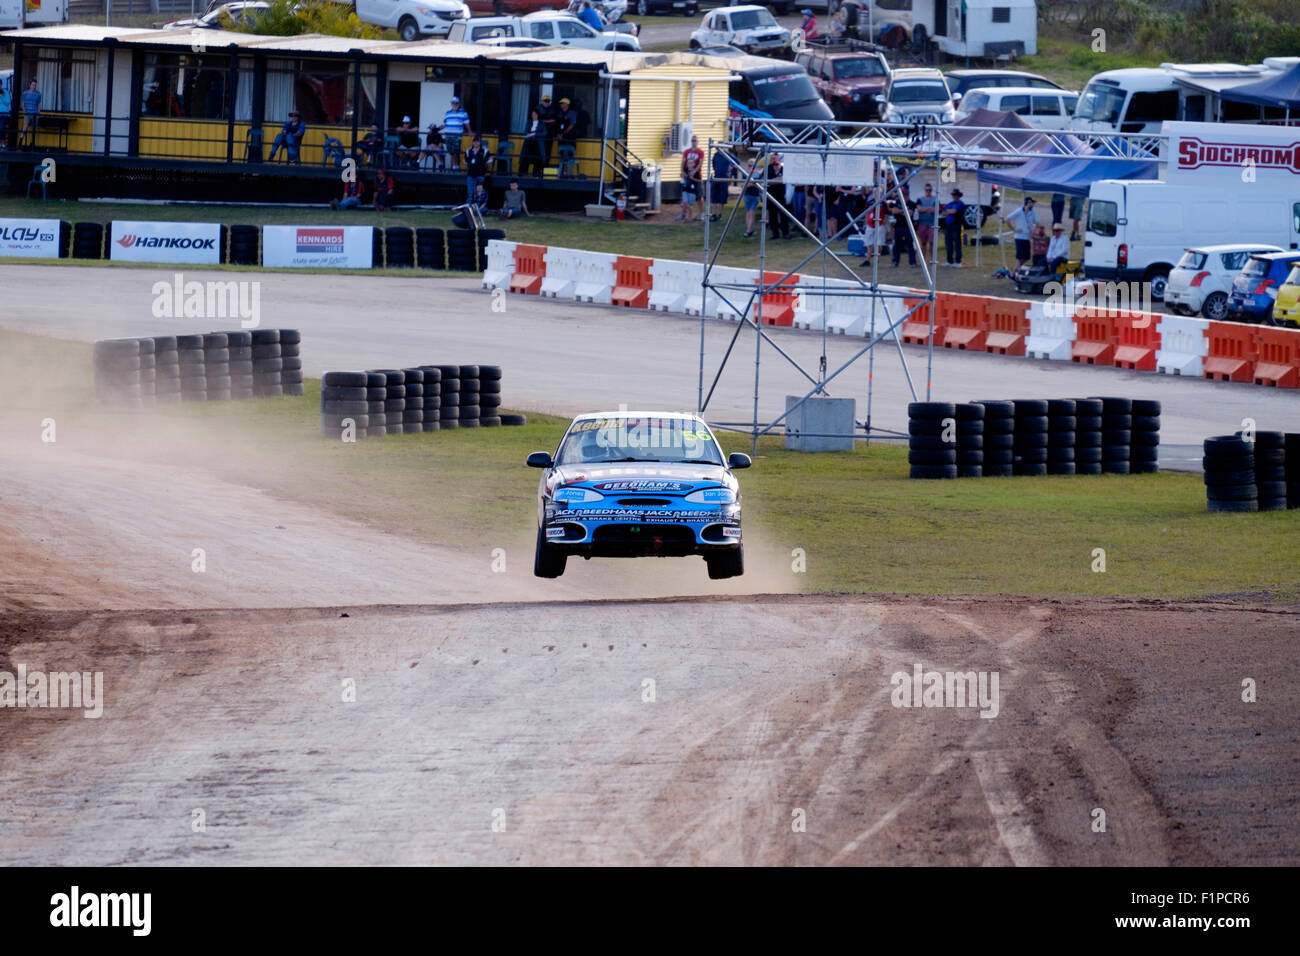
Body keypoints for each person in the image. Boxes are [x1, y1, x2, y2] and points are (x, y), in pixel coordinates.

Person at [1003, 195, 1038, 270]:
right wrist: (1014, 230)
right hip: (1019, 237)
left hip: (1027, 237)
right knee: (1019, 257)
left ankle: (1016, 269)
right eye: (1032, 203)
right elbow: (1007, 219)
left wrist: (1034, 230)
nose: (1033, 205)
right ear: (1028, 203)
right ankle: (1014, 272)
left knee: (1027, 257)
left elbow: (1036, 222)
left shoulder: (1032, 212)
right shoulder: (1019, 211)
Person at [678, 135, 703, 222]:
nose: (694, 142)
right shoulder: (687, 151)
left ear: (698, 142)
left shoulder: (700, 152)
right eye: (692, 140)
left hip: (696, 175)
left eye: (695, 140)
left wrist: (694, 172)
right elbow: (683, 162)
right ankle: (684, 213)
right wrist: (682, 171)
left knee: (699, 196)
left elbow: (700, 163)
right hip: (687, 174)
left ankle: (701, 213)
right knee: (685, 194)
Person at [441, 96, 470, 171]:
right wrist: (435, 129)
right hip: (448, 135)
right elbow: (444, 124)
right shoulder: (448, 113)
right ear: (451, 104)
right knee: (451, 152)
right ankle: (455, 167)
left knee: (456, 152)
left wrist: (470, 131)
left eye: (456, 103)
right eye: (453, 103)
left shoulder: (463, 112)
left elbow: (466, 123)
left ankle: (455, 167)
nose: (454, 104)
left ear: (459, 104)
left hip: (457, 135)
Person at [941, 188, 966, 267]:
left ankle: (958, 261)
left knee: (957, 243)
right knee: (948, 243)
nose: (954, 196)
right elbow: (943, 213)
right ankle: (950, 260)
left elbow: (954, 211)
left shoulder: (960, 204)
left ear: (958, 196)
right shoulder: (950, 204)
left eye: (956, 195)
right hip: (948, 225)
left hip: (956, 225)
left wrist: (948, 211)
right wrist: (948, 211)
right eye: (953, 195)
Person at [767, 154, 789, 239]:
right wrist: (777, 180)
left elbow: (783, 179)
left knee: (783, 215)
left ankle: (785, 233)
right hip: (771, 195)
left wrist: (773, 181)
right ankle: (775, 234)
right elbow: (767, 181)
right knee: (773, 215)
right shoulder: (769, 170)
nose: (775, 166)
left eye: (777, 164)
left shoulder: (783, 170)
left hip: (781, 196)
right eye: (774, 165)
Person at [520, 108, 547, 177]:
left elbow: (544, 133)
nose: (533, 116)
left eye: (535, 114)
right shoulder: (529, 122)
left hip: (537, 144)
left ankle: (536, 176)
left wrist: (535, 134)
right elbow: (525, 132)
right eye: (532, 114)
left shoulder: (542, 123)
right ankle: (522, 175)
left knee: (537, 160)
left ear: (538, 115)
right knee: (526, 159)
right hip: (529, 143)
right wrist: (529, 134)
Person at [709, 147, 733, 222]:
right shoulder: (716, 155)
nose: (719, 148)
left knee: (722, 197)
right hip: (716, 177)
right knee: (714, 196)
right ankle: (713, 214)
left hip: (724, 177)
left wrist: (731, 172)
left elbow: (736, 163)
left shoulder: (728, 155)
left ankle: (720, 214)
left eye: (721, 147)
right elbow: (713, 164)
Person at [464, 134, 491, 201]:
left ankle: (478, 207)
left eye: (477, 141)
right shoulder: (468, 150)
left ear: (480, 142)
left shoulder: (485, 150)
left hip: (480, 174)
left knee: (479, 192)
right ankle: (469, 207)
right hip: (471, 175)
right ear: (473, 142)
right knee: (470, 192)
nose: (476, 143)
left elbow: (489, 162)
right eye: (474, 141)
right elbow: (466, 162)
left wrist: (486, 171)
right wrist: (468, 171)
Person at [556, 98, 579, 176]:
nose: (561, 105)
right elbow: (557, 124)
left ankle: (569, 174)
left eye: (562, 103)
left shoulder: (572, 113)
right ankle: (563, 173)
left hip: (570, 137)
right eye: (560, 103)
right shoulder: (559, 113)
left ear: (567, 104)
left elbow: (572, 125)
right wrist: (558, 134)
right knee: (562, 154)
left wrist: (564, 133)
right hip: (561, 138)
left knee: (570, 155)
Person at [914, 182, 937, 258]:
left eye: (929, 190)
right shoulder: (919, 199)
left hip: (932, 224)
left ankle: (932, 259)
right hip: (922, 223)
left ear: (931, 190)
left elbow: (934, 210)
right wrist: (929, 209)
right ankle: (923, 259)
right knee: (923, 243)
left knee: (931, 242)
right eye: (927, 190)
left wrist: (924, 209)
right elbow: (919, 209)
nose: (928, 191)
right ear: (924, 190)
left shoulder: (935, 199)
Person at [537, 94, 558, 168]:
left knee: (548, 151)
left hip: (549, 134)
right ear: (542, 101)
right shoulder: (538, 108)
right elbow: (536, 120)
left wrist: (543, 121)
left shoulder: (552, 109)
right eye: (545, 101)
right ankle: (538, 170)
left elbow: (554, 120)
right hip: (540, 134)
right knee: (539, 152)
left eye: (548, 101)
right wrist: (548, 121)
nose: (547, 102)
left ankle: (545, 168)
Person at [20, 80, 41, 149]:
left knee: (34, 128)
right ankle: (21, 141)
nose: (34, 86)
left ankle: (32, 143)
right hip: (27, 112)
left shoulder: (38, 94)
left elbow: (38, 104)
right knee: (25, 126)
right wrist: (25, 111)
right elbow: (23, 103)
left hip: (35, 113)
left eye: (35, 85)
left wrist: (38, 113)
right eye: (32, 85)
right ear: (30, 85)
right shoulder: (25, 93)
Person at [742, 164, 761, 237]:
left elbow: (758, 184)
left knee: (752, 213)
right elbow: (745, 184)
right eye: (749, 165)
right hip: (747, 194)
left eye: (752, 166)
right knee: (748, 213)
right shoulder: (745, 173)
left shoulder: (757, 174)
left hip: (755, 195)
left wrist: (751, 183)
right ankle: (748, 229)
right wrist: (753, 183)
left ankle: (749, 230)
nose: (750, 167)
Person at [0, 78, 9, 150]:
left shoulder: (6, 92)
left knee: (1, 128)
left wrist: (2, 97)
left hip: (4, 114)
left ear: (1, 84)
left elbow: (7, 102)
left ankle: (3, 143)